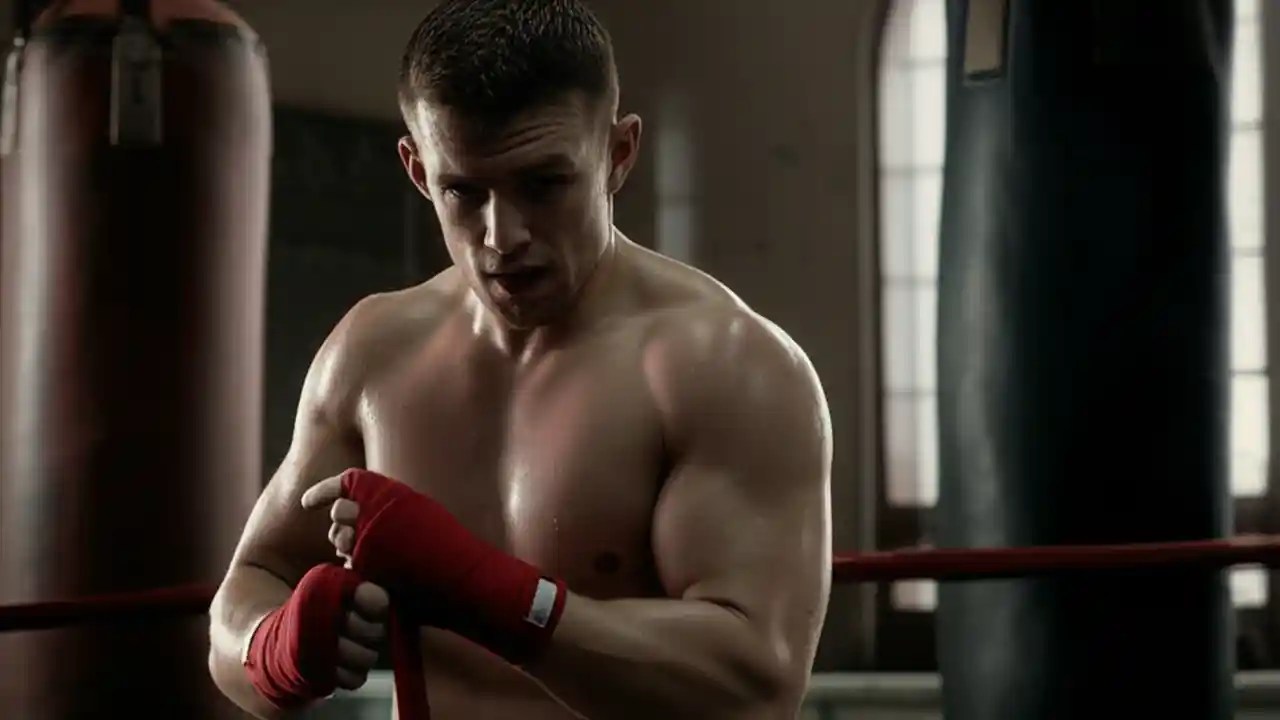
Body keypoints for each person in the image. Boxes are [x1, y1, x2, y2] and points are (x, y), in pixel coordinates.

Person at [206, 0, 833, 717]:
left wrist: (479, 589)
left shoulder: (724, 366)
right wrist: (278, 646)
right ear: (417, 169)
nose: (502, 237)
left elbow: (757, 687)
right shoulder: (374, 353)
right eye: (463, 192)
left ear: (618, 154)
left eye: (544, 184)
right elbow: (244, 595)